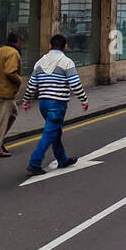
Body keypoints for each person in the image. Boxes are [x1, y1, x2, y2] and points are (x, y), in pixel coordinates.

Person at [21, 33, 89, 175]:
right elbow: (75, 84)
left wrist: (26, 100)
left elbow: (32, 84)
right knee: (49, 133)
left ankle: (62, 159)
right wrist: (83, 99)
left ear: (50, 46)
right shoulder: (66, 62)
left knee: (54, 131)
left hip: (43, 104)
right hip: (57, 103)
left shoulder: (40, 62)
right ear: (65, 47)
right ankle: (34, 163)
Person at [0, 32, 24, 157]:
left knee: (13, 113)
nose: (21, 45)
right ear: (17, 41)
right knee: (3, 121)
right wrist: (19, 80)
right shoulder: (13, 53)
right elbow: (10, 71)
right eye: (20, 42)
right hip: (6, 91)